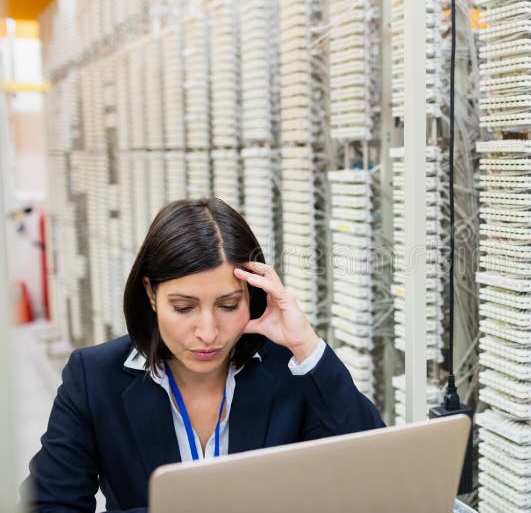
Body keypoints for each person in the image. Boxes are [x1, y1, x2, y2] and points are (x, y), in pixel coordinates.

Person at [22, 198, 384, 512]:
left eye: (228, 305)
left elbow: (375, 476)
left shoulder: (290, 369)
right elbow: (50, 505)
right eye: (184, 308)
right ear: (151, 293)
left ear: (252, 296)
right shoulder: (94, 378)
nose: (208, 333)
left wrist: (306, 344)